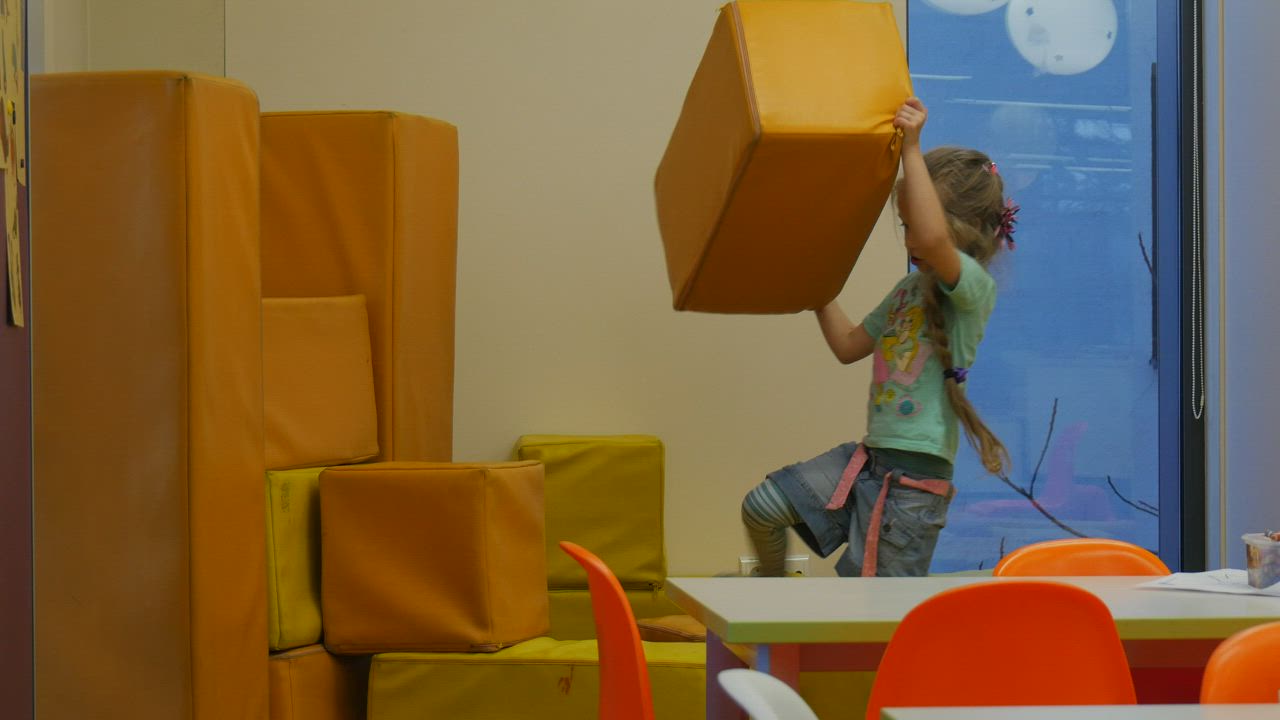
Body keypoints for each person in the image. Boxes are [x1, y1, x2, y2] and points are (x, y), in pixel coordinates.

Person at [741, 97, 1016, 577]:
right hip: (871, 460)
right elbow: (848, 346)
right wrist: (818, 288)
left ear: (958, 230)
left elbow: (932, 240)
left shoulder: (972, 290)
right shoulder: (908, 290)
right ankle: (773, 597)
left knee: (871, 602)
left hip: (915, 483)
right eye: (905, 226)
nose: (909, 239)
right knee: (763, 506)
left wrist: (912, 147)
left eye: (913, 224)